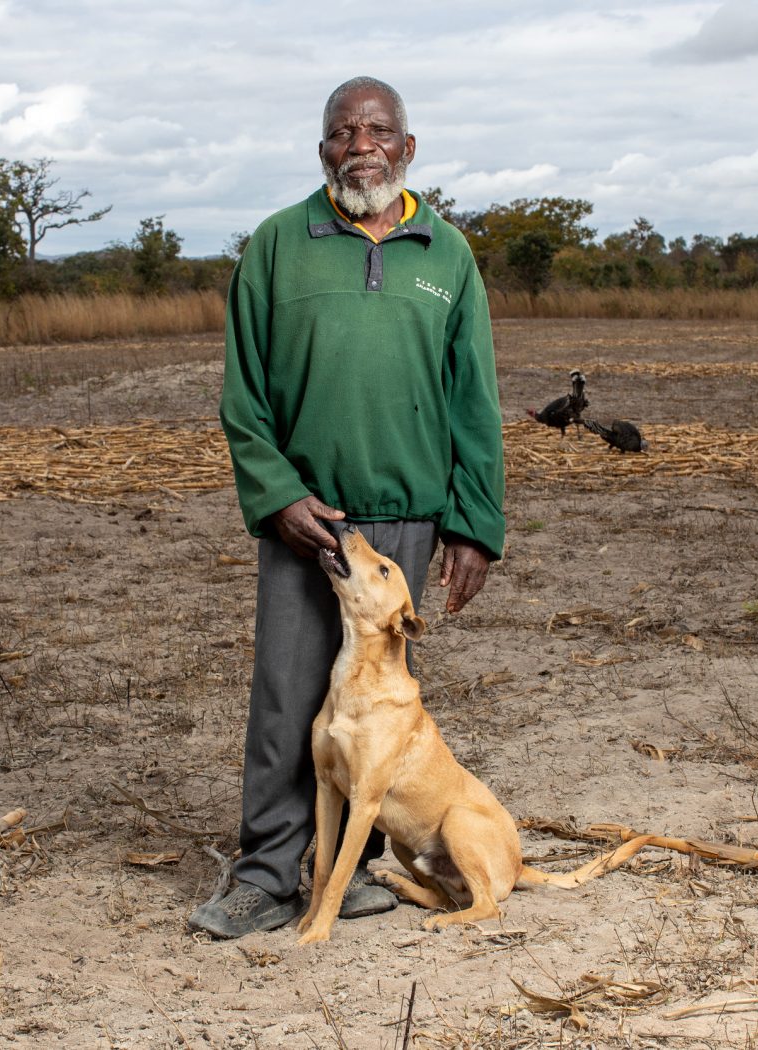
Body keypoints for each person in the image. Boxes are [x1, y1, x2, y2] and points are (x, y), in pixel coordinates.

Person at [188, 76, 505, 939]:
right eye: (341, 131)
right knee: (290, 699)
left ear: (407, 147)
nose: (359, 143)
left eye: (377, 130)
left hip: (406, 513)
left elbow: (472, 399)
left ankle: (354, 872)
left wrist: (475, 523)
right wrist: (279, 495)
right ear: (322, 149)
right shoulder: (277, 245)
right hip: (312, 519)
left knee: (377, 703)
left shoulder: (446, 254)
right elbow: (242, 395)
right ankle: (262, 873)